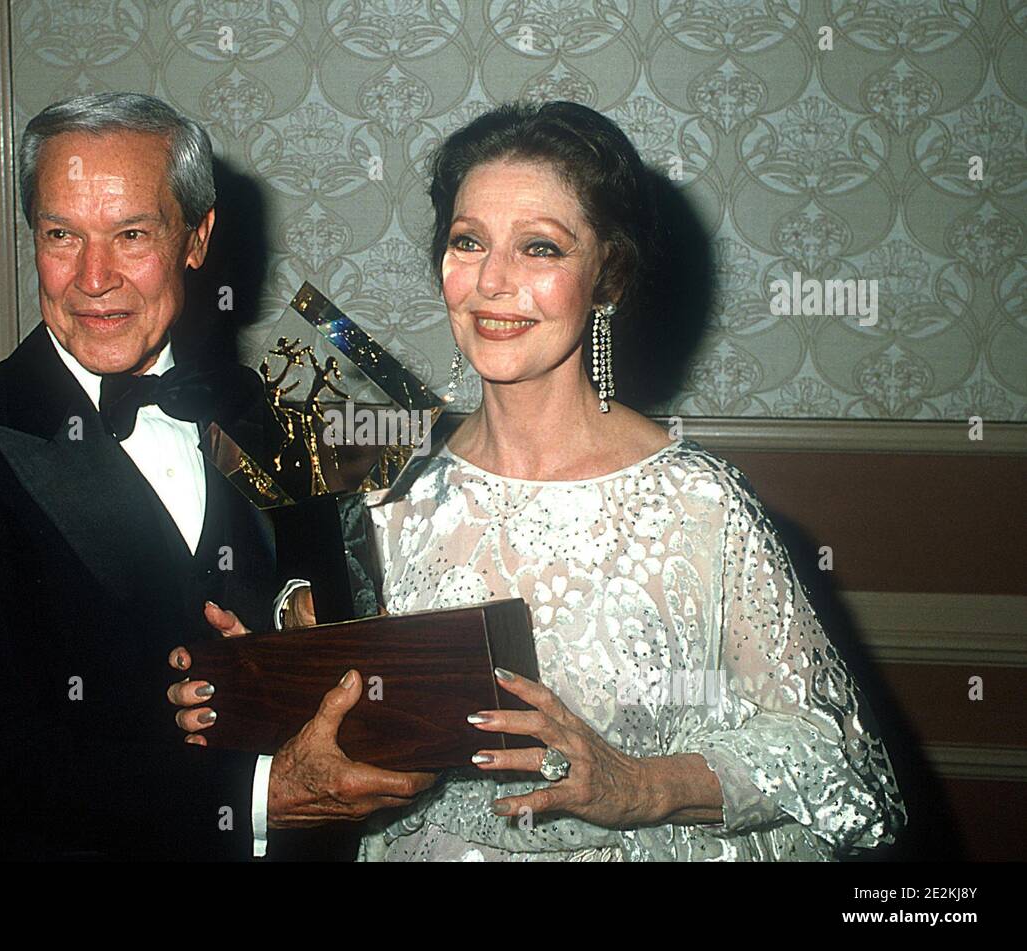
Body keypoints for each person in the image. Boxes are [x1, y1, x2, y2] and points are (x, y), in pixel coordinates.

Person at [172, 101, 907, 861]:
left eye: (540, 248)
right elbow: (341, 740)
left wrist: (639, 784)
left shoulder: (700, 505)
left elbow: (844, 769)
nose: (493, 281)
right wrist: (279, 671)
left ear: (607, 276)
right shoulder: (378, 484)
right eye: (468, 242)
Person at [0, 92, 430, 860]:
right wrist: (258, 795)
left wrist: (312, 633)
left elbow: (339, 617)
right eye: (61, 235)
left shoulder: (271, 405)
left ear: (196, 238)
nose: (93, 277)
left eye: (131, 233)